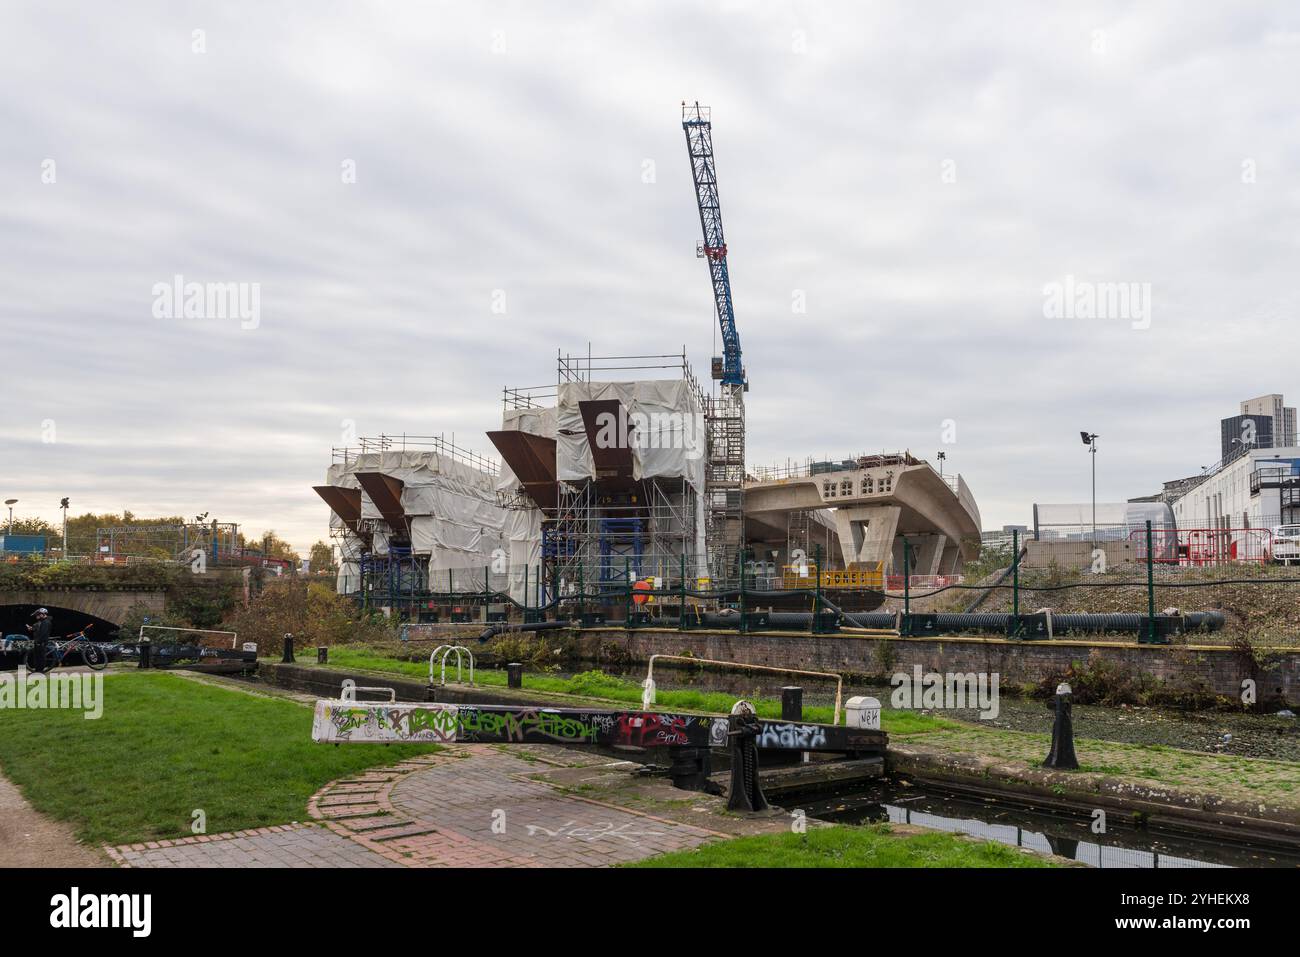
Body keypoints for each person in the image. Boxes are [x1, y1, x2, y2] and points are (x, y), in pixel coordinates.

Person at [25, 608, 52, 673]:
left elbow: (43, 633)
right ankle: (37, 671)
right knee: (37, 658)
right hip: (38, 643)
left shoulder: (46, 622)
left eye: (37, 615)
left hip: (41, 643)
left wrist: (38, 642)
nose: (36, 616)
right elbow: (37, 629)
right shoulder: (42, 622)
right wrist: (32, 629)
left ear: (42, 614)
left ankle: (40, 672)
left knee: (40, 658)